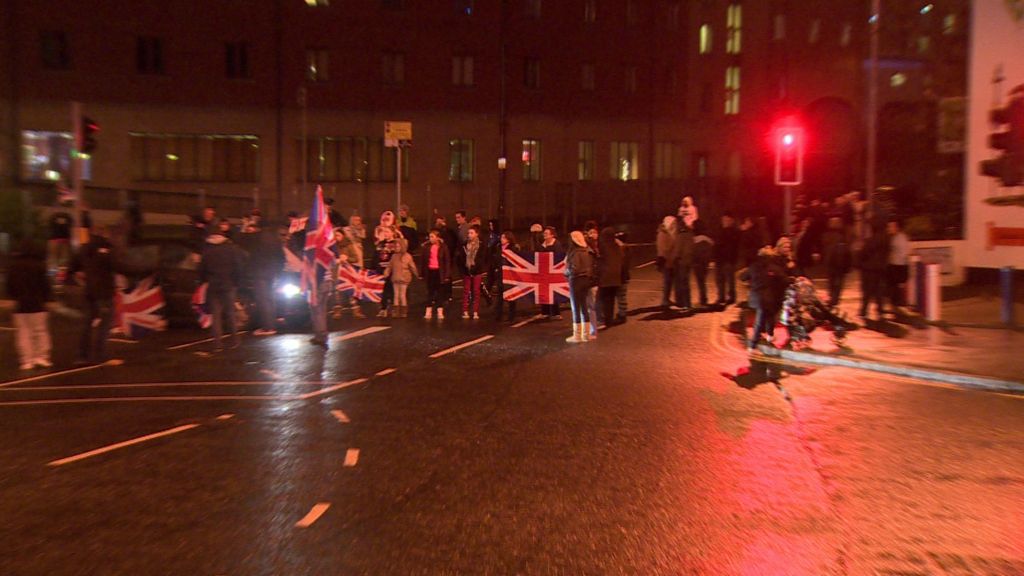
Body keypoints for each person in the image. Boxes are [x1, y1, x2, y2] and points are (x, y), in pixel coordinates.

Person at [68, 227, 119, 365]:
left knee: (87, 323)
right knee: (105, 323)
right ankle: (100, 354)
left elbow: (72, 267)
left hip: (89, 291)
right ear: (106, 234)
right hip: (104, 292)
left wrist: (81, 275)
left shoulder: (84, 248)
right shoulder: (107, 249)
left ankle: (82, 355)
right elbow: (117, 266)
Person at [7, 238, 52, 370]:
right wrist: (48, 299)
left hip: (20, 305)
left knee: (23, 333)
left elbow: (10, 285)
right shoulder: (40, 265)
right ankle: (42, 357)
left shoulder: (14, 266)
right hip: (38, 304)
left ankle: (26, 360)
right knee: (40, 331)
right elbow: (45, 285)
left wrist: (12, 297)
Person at [198, 227, 245, 351]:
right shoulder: (231, 249)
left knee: (216, 315)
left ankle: (217, 343)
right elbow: (238, 267)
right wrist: (237, 283)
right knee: (230, 313)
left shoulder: (207, 251)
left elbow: (202, 269)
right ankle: (235, 340)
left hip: (214, 285)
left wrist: (205, 280)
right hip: (228, 285)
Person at [741, 245, 789, 350]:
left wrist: (752, 282)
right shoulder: (774, 268)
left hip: (756, 298)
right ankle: (756, 342)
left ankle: (764, 338)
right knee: (766, 317)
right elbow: (784, 280)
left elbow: (743, 277)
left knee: (763, 318)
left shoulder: (753, 266)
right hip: (769, 298)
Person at [243, 223, 284, 335]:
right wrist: (278, 273)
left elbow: (247, 253)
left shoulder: (255, 239)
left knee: (262, 299)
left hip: (259, 272)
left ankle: (267, 327)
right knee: (270, 299)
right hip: (271, 273)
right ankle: (272, 325)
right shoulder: (276, 240)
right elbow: (282, 258)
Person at [564, 231, 596, 343]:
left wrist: (566, 272)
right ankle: (586, 334)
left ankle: (577, 336)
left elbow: (574, 268)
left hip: (576, 280)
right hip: (586, 280)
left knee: (575, 308)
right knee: (584, 307)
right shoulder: (588, 250)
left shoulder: (575, 252)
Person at [859, 222, 890, 321]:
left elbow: (863, 253)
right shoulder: (886, 240)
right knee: (879, 290)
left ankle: (864, 310)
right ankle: (880, 310)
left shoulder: (870, 240)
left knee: (867, 291)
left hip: (870, 269)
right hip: (881, 268)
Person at [418, 229, 452, 320]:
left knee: (440, 292)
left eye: (432, 236)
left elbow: (447, 261)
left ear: (437, 237)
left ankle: (440, 311)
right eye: (430, 237)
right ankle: (428, 310)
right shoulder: (426, 247)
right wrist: (421, 273)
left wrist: (447, 274)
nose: (431, 238)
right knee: (430, 292)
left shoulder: (443, 247)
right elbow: (423, 261)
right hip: (430, 272)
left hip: (439, 272)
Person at [821, 216, 852, 307]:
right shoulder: (844, 236)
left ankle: (832, 298)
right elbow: (847, 251)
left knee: (831, 282)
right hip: (839, 263)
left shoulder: (826, 236)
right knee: (838, 283)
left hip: (831, 262)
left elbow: (824, 249)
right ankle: (835, 299)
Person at [596, 227, 624, 329]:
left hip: (605, 277)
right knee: (610, 300)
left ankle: (601, 320)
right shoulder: (617, 246)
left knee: (599, 299)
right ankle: (609, 320)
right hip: (616, 277)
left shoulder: (603, 246)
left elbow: (599, 259)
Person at [459, 224, 488, 319]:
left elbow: (481, 258)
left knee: (476, 291)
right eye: (468, 233)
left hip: (477, 271)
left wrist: (475, 268)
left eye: (471, 233)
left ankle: (475, 311)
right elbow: (460, 258)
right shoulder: (464, 244)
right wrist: (464, 268)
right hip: (466, 271)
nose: (469, 235)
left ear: (477, 234)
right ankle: (465, 310)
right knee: (466, 291)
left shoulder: (481, 245)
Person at [385, 239, 417, 318]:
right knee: (397, 295)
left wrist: (417, 274)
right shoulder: (396, 256)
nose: (397, 247)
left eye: (398, 246)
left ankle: (402, 312)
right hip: (397, 277)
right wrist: (387, 271)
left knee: (402, 295)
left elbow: (412, 267)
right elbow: (390, 266)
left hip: (403, 278)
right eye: (396, 246)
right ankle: (398, 312)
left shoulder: (405, 256)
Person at [374, 225, 399, 318]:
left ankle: (392, 307)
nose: (386, 234)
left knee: (392, 289)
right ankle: (383, 308)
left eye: (388, 232)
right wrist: (374, 268)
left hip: (392, 270)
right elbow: (376, 256)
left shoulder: (396, 244)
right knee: (382, 290)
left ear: (393, 233)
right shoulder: (380, 244)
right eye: (385, 232)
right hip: (381, 270)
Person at [538, 226, 562, 319]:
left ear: (552, 235)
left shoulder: (556, 244)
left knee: (552, 292)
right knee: (543, 291)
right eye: (544, 233)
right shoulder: (542, 245)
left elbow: (558, 257)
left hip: (552, 272)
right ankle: (545, 311)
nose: (544, 235)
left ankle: (556, 313)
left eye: (546, 233)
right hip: (543, 271)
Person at [715, 213, 740, 305]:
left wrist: (733, 259)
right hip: (720, 259)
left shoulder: (734, 232)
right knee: (720, 280)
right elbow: (717, 245)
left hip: (729, 259)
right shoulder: (720, 231)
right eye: (723, 220)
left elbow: (735, 247)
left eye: (726, 220)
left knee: (730, 280)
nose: (724, 222)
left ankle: (731, 297)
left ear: (731, 221)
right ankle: (721, 297)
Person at [496, 231, 520, 322]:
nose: (501, 239)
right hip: (500, 273)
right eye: (501, 237)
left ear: (508, 239)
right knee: (500, 295)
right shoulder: (498, 247)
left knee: (510, 294)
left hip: (510, 274)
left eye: (503, 238)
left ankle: (511, 315)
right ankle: (498, 315)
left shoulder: (513, 248)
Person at [886, 219, 910, 311]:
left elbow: (903, 253)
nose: (889, 229)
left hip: (899, 265)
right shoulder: (893, 237)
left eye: (891, 226)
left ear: (896, 227)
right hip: (893, 265)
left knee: (896, 286)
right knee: (893, 286)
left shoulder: (901, 238)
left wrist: (899, 263)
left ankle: (898, 305)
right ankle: (895, 305)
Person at [673, 213, 695, 310]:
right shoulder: (691, 235)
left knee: (683, 282)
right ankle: (688, 302)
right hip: (689, 260)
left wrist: (675, 258)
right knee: (686, 282)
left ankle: (684, 302)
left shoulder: (680, 236)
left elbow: (677, 250)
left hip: (682, 261)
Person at [656, 216, 678, 308]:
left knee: (669, 282)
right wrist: (673, 243)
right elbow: (665, 248)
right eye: (673, 223)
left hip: (670, 260)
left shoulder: (667, 233)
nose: (674, 225)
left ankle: (667, 299)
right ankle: (664, 300)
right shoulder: (664, 234)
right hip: (666, 261)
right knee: (667, 282)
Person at [583, 220, 601, 336]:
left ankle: (593, 329)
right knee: (587, 305)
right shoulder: (586, 247)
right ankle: (588, 329)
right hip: (587, 279)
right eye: (591, 232)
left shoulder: (598, 245)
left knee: (591, 305)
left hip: (594, 279)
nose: (594, 234)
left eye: (595, 232)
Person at [692, 218, 714, 308]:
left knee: (700, 282)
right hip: (705, 263)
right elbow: (711, 248)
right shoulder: (707, 239)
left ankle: (703, 300)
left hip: (698, 263)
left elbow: (694, 252)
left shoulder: (695, 239)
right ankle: (703, 299)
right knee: (702, 281)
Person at [614, 230, 631, 324]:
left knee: (621, 296)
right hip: (624, 275)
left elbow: (622, 264)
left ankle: (622, 314)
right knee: (621, 296)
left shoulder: (622, 249)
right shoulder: (625, 248)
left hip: (621, 276)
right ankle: (622, 313)